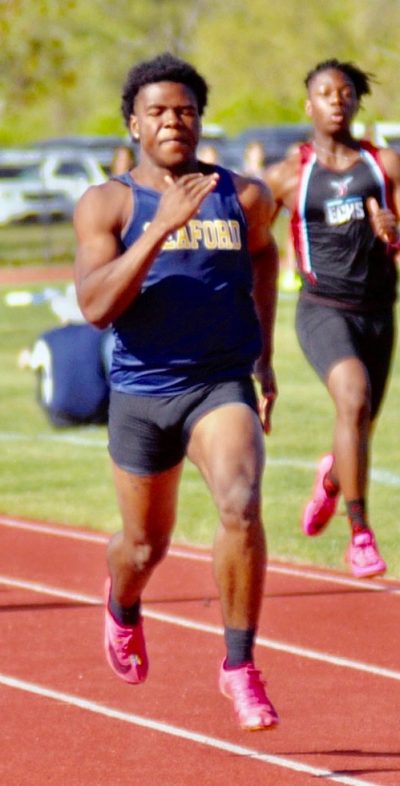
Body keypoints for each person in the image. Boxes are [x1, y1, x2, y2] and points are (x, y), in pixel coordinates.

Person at [73, 52, 279, 730]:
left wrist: (266, 354)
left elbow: (264, 251)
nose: (173, 121)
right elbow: (97, 307)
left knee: (241, 503)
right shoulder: (108, 203)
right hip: (141, 391)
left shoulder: (241, 195)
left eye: (185, 110)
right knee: (142, 547)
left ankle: (240, 666)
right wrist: (160, 227)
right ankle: (124, 606)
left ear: (200, 120)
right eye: (158, 111)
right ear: (133, 122)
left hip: (218, 383)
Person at [264, 58, 400, 578]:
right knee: (354, 397)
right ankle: (360, 533)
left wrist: (394, 233)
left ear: (357, 102)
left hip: (378, 313)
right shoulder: (290, 175)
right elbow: (254, 241)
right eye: (325, 93)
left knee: (360, 423)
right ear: (309, 104)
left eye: (345, 92)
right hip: (323, 310)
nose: (336, 100)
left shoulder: (383, 166)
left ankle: (331, 478)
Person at [18, 284, 113, 427]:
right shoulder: (104, 335)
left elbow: (27, 362)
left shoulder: (48, 338)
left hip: (61, 416)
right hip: (102, 412)